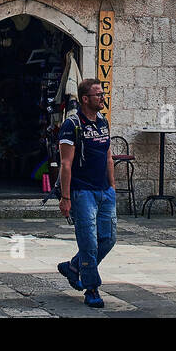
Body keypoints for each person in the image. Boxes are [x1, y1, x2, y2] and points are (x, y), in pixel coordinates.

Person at [56, 78, 117, 309]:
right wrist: (65, 197)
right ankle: (91, 289)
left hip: (104, 191)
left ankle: (73, 266)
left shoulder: (103, 121)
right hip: (82, 193)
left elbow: (108, 156)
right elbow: (66, 164)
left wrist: (112, 186)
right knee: (89, 243)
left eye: (102, 94)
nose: (102, 98)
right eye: (98, 95)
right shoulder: (72, 125)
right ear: (85, 99)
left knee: (108, 239)